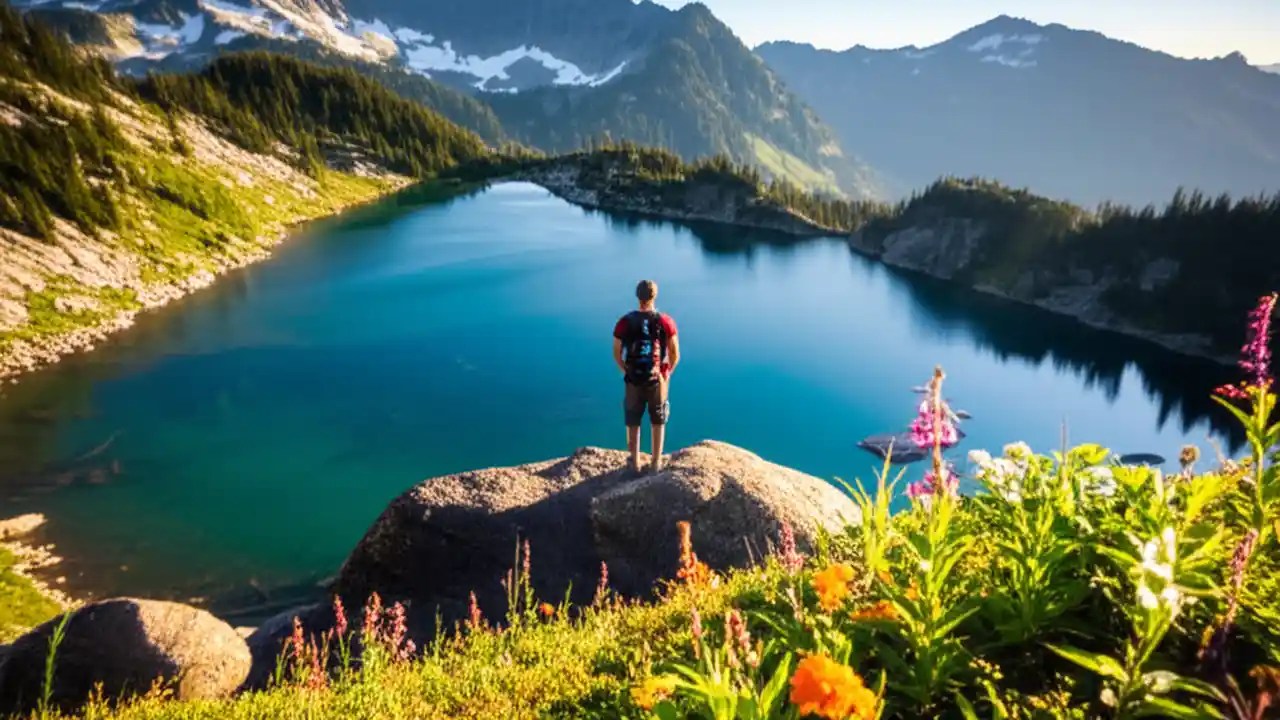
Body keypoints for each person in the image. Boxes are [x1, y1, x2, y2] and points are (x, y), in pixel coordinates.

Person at [613, 280, 680, 474]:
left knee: (633, 419)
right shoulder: (665, 321)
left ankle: (634, 462)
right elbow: (675, 353)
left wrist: (626, 370)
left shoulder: (624, 322)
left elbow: (616, 352)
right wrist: (666, 373)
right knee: (658, 419)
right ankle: (656, 463)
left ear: (638, 296)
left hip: (633, 377)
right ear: (654, 296)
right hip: (656, 378)